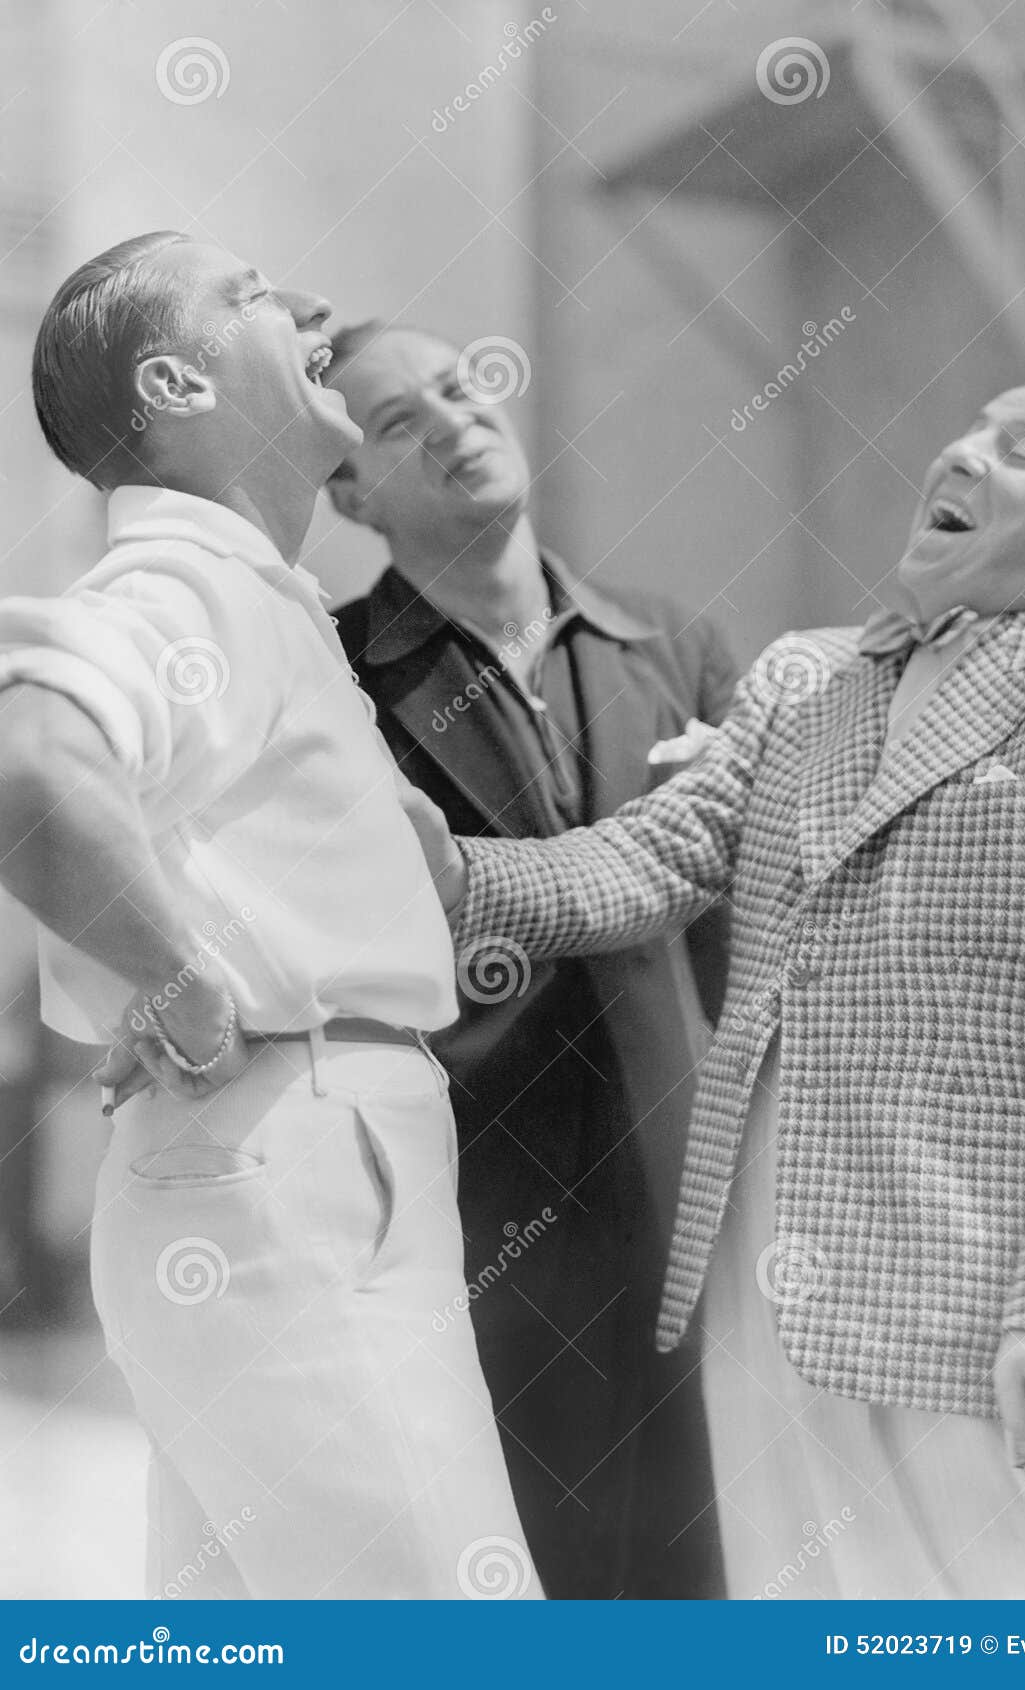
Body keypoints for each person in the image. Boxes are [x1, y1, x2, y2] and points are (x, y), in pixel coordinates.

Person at [412, 379, 1025, 1598]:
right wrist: (445, 866)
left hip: (971, 1264)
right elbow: (653, 854)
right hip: (770, 1254)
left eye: (1020, 451)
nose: (962, 451)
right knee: (809, 1604)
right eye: (969, 428)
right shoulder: (810, 677)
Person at [0, 233, 538, 1601]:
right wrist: (176, 974)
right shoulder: (186, 586)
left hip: (275, 1170)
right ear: (178, 385)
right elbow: (28, 766)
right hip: (283, 1165)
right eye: (248, 296)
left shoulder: (260, 600)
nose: (301, 305)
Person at [323, 321, 735, 1598]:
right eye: (401, 421)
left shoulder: (671, 645)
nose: (454, 422)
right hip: (471, 1196)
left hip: (676, 1184)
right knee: (515, 1567)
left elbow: (731, 944)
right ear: (348, 491)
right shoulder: (331, 674)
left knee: (690, 1564)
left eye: (458, 388)